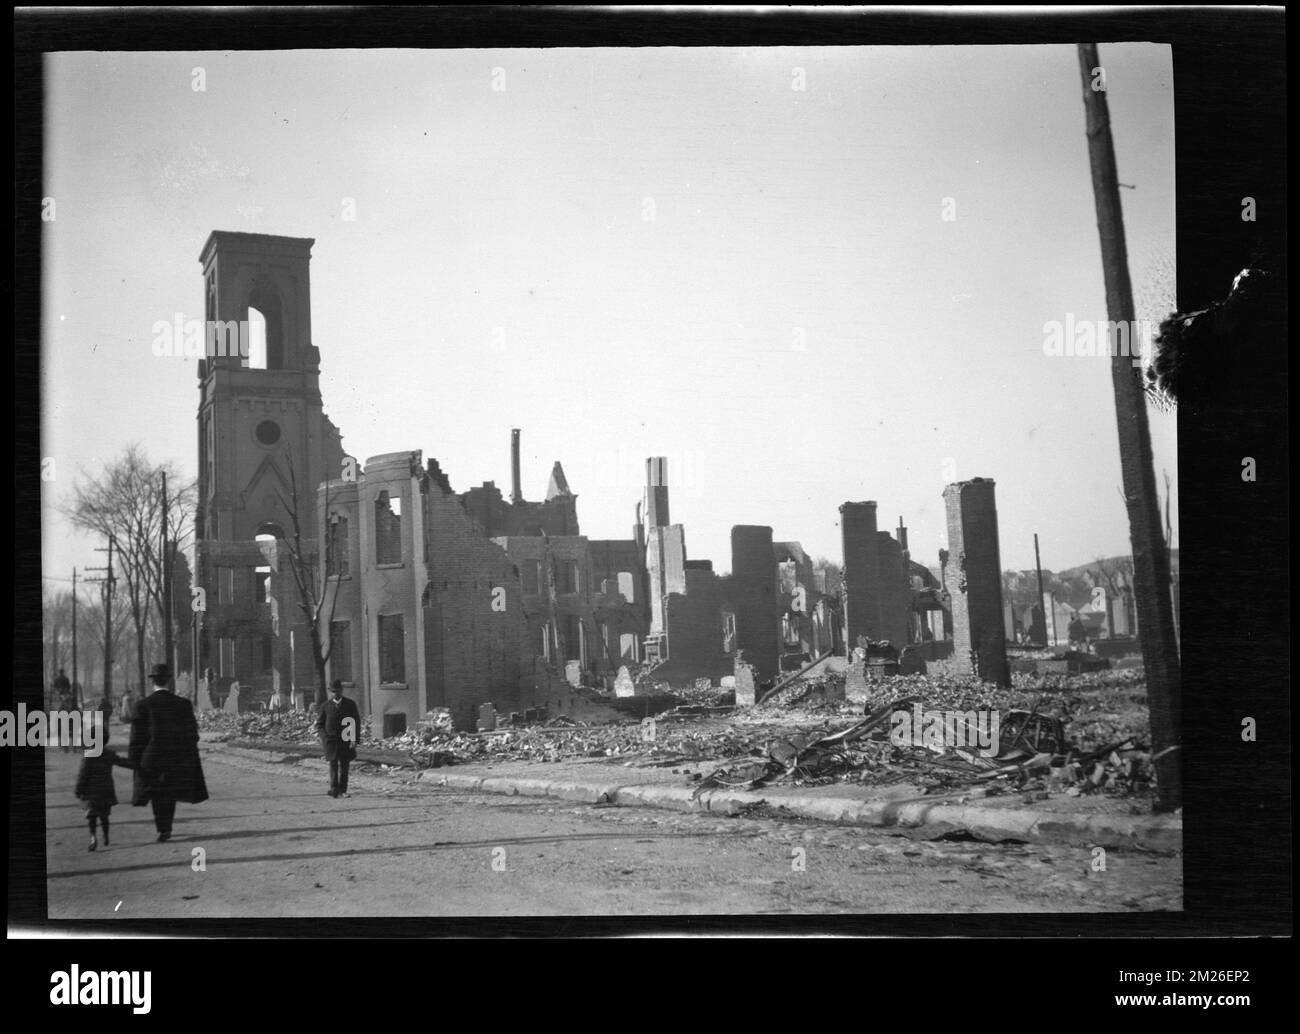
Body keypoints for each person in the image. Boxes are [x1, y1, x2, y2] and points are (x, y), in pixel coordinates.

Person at [129, 662, 209, 842]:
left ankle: (163, 828)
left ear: (152, 682)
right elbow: (193, 735)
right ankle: (166, 828)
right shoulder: (183, 704)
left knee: (158, 794)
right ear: (169, 681)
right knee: (169, 793)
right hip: (176, 757)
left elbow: (136, 739)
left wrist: (134, 761)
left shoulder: (143, 705)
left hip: (152, 758)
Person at [75, 732, 134, 851]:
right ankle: (106, 836)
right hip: (106, 790)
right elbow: (123, 762)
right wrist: (138, 765)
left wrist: (78, 790)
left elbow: (83, 775)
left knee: (91, 816)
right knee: (104, 816)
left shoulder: (89, 755)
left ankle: (93, 837)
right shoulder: (109, 754)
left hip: (90, 792)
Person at [316, 680, 360, 798]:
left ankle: (343, 790)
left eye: (338, 691)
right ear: (330, 692)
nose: (336, 694)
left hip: (345, 740)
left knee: (344, 766)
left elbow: (354, 722)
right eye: (333, 692)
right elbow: (319, 724)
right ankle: (334, 790)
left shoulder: (350, 704)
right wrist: (324, 737)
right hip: (331, 741)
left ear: (342, 690)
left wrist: (354, 739)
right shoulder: (325, 706)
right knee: (333, 765)